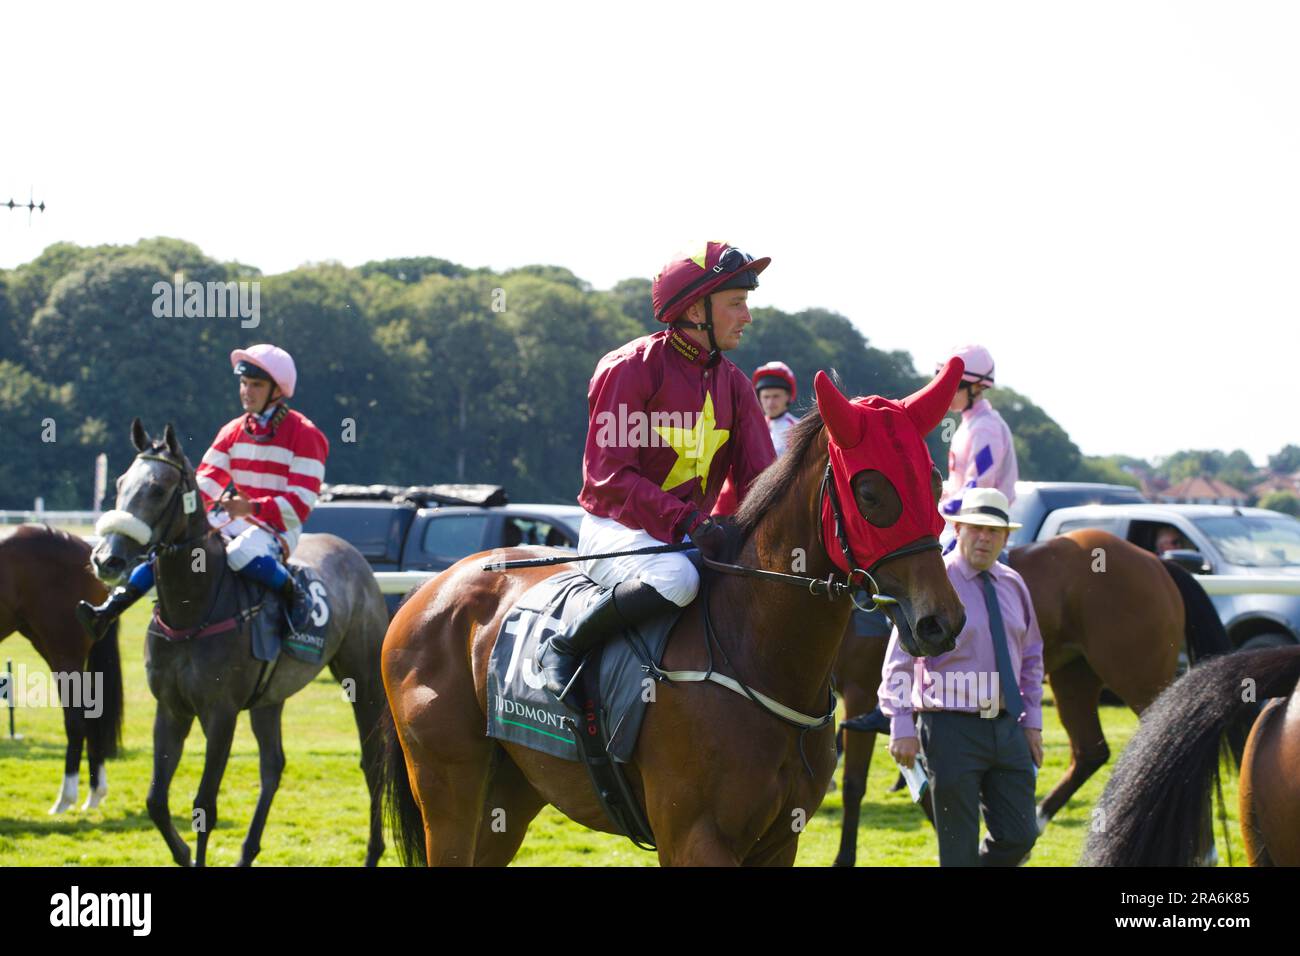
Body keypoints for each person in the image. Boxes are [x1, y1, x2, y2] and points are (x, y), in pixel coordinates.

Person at [538, 241, 777, 708]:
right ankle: (565, 645)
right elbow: (611, 478)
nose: (746, 316)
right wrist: (689, 522)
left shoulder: (736, 384)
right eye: (736, 303)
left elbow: (761, 484)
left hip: (687, 537)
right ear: (694, 310)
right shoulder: (628, 369)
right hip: (617, 530)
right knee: (678, 581)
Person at [77, 345, 328, 639]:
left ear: (277, 390)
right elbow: (205, 484)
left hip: (279, 527)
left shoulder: (306, 435)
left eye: (256, 385)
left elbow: (300, 504)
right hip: (233, 518)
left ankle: (297, 597)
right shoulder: (232, 431)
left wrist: (251, 509)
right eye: (244, 384)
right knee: (170, 550)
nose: (247, 391)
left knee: (240, 553)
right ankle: (109, 609)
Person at [879, 487, 1044, 866]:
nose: (984, 538)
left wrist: (1032, 722)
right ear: (956, 528)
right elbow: (898, 661)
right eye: (975, 528)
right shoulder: (935, 583)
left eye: (994, 531)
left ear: (1006, 537)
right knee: (958, 849)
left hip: (1007, 727)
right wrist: (901, 725)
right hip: (949, 727)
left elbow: (1032, 657)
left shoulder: (1014, 584)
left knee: (1021, 836)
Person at [937, 344, 1019, 553]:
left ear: (976, 388)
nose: (944, 392)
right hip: (963, 522)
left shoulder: (986, 428)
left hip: (979, 529)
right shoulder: (969, 424)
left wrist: (937, 508)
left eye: (953, 386)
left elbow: (978, 486)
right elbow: (959, 486)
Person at [752, 361, 800, 456]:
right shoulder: (751, 428)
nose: (770, 403)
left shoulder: (798, 430)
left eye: (776, 396)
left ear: (788, 396)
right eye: (766, 397)